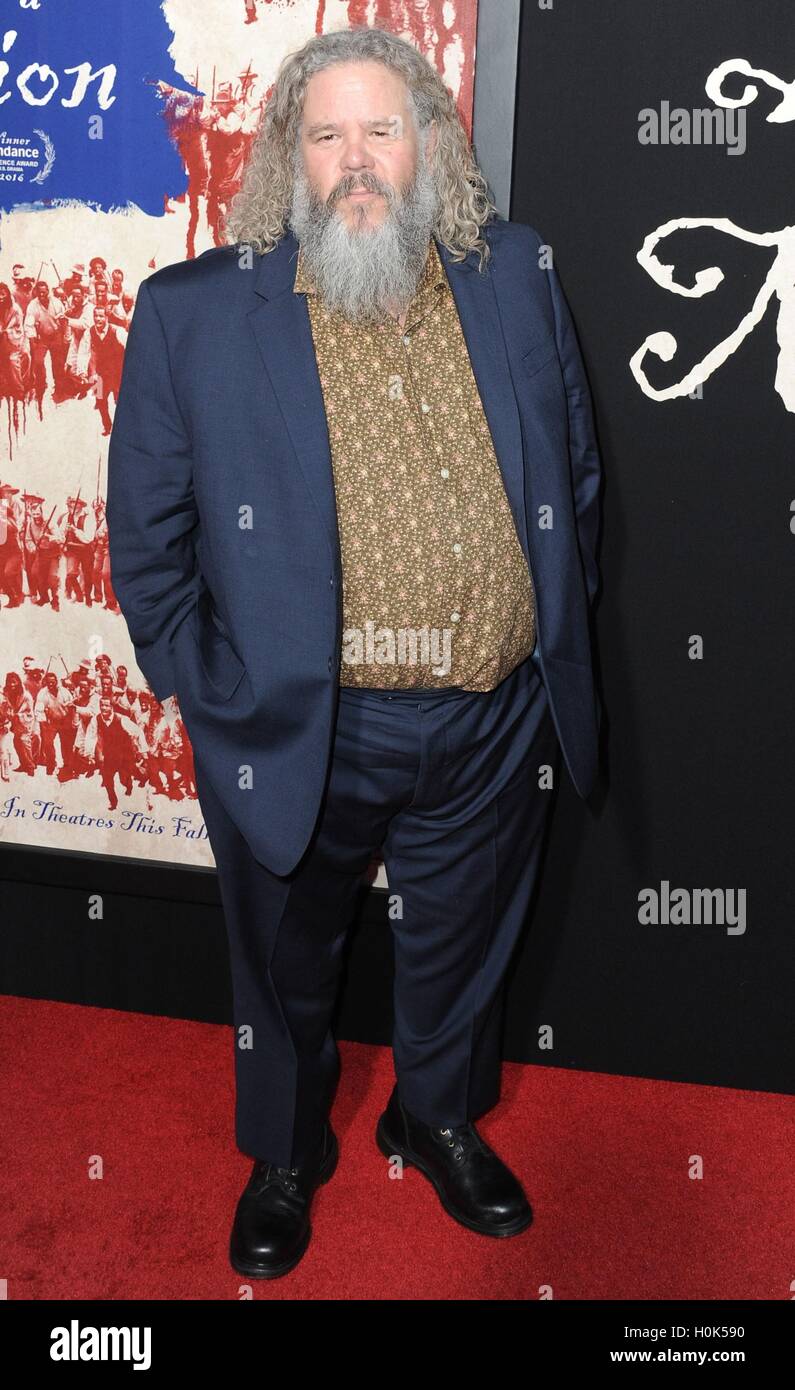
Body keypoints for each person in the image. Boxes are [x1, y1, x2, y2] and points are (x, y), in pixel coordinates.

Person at [107, 25, 603, 1280]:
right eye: (327, 135)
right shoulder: (197, 314)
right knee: (283, 962)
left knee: (466, 940)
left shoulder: (518, 272)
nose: (359, 160)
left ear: (430, 141)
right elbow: (147, 540)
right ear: (291, 156)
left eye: (383, 129)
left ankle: (432, 1115)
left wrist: (541, 639)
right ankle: (284, 1153)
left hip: (493, 716)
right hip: (304, 722)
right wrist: (209, 693)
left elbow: (575, 476)